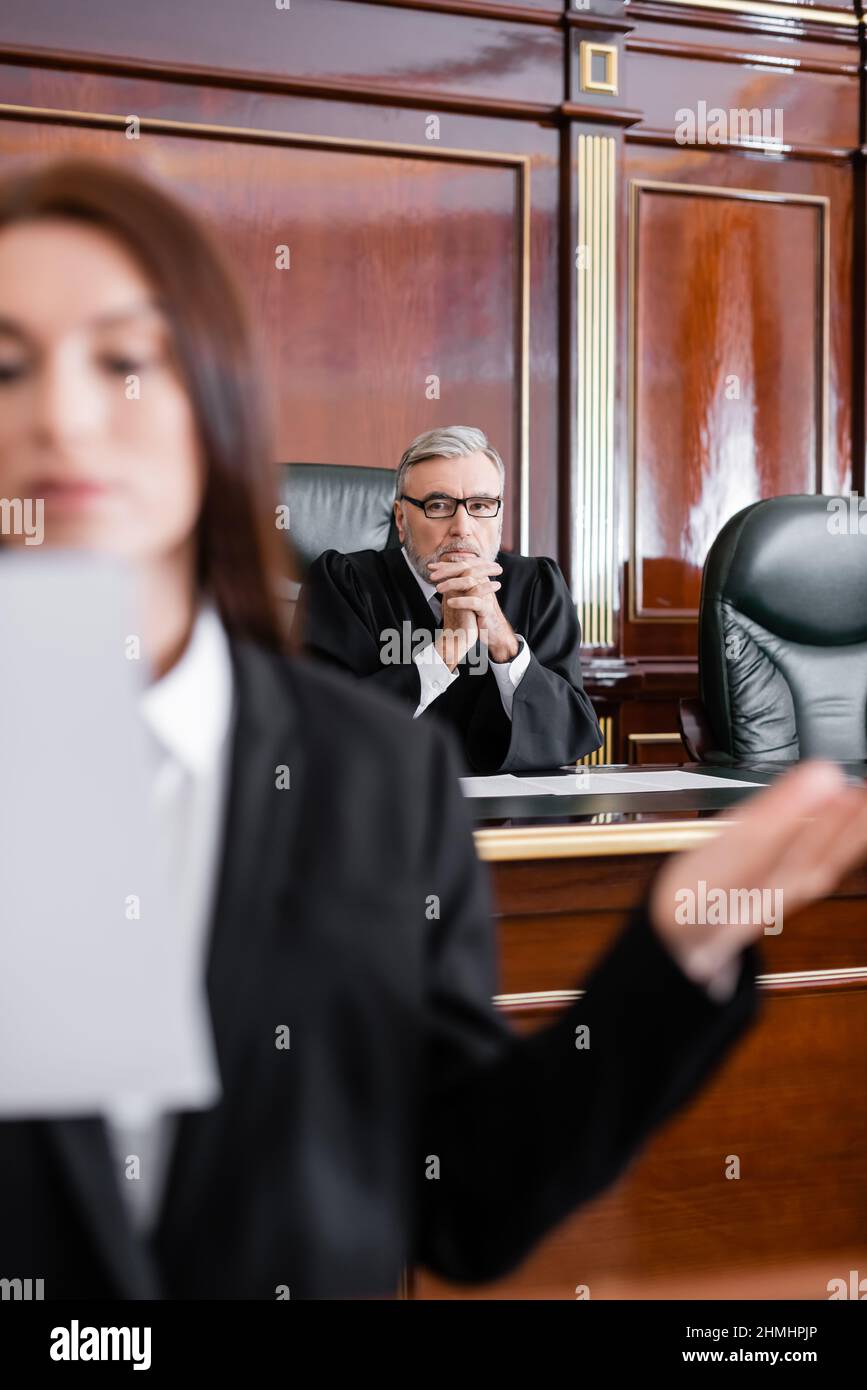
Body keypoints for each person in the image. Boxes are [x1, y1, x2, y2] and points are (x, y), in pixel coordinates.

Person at [2, 159, 867, 1300]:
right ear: (397, 512)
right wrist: (448, 653)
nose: (63, 414)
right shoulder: (352, 586)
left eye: (120, 361)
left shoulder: (378, 776)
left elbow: (460, 1194)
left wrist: (677, 949)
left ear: (212, 411)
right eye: (7, 364)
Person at [301, 426, 602, 773]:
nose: (462, 526)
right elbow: (325, 731)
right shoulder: (345, 583)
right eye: (439, 505)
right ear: (401, 519)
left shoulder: (538, 587)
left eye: (480, 505)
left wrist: (505, 646)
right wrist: (447, 651)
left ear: (499, 516)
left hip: (508, 822)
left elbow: (572, 737)